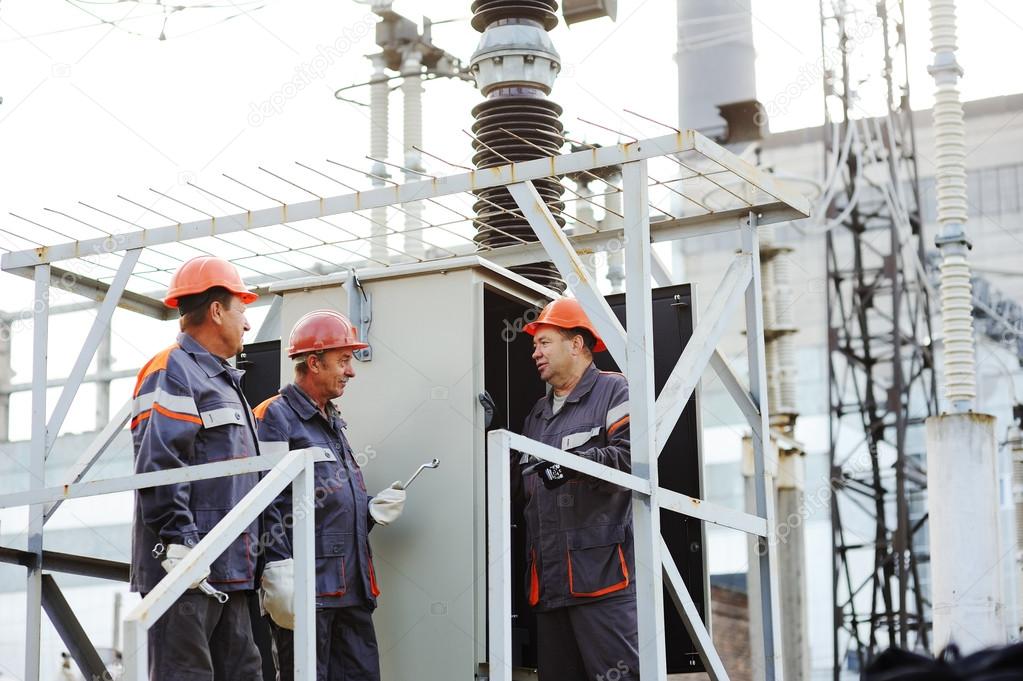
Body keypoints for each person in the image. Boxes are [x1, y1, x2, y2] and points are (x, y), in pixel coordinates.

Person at [130, 255, 263, 681]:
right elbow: (161, 460)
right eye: (241, 310)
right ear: (217, 310)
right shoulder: (172, 369)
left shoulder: (224, 381)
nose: (247, 324)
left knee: (244, 673)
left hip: (229, 567)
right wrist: (180, 540)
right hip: (184, 567)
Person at [254, 309, 406, 681]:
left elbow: (326, 504)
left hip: (351, 590)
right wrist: (276, 567)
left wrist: (368, 510)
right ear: (314, 363)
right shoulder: (275, 417)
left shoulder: (332, 420)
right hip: (306, 592)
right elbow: (263, 500)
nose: (351, 371)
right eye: (343, 361)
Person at [516, 297, 638, 680]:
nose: (535, 352)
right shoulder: (537, 415)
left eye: (544, 342)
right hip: (550, 586)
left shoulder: (615, 391)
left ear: (577, 344)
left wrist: (571, 466)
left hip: (602, 581)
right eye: (534, 345)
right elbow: (521, 491)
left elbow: (631, 460)